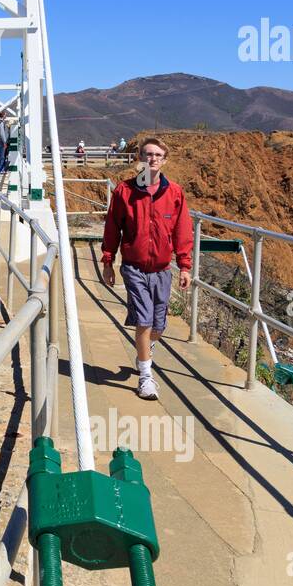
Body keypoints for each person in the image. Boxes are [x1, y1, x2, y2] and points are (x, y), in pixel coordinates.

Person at [100, 137, 193, 400]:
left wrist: (184, 266)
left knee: (158, 325)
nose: (152, 159)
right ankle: (145, 377)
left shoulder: (174, 193)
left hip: (163, 269)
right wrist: (108, 261)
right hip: (134, 267)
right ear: (140, 158)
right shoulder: (124, 192)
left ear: (165, 159)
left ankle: (146, 348)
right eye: (147, 154)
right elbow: (111, 229)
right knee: (144, 319)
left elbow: (182, 232)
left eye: (157, 155)